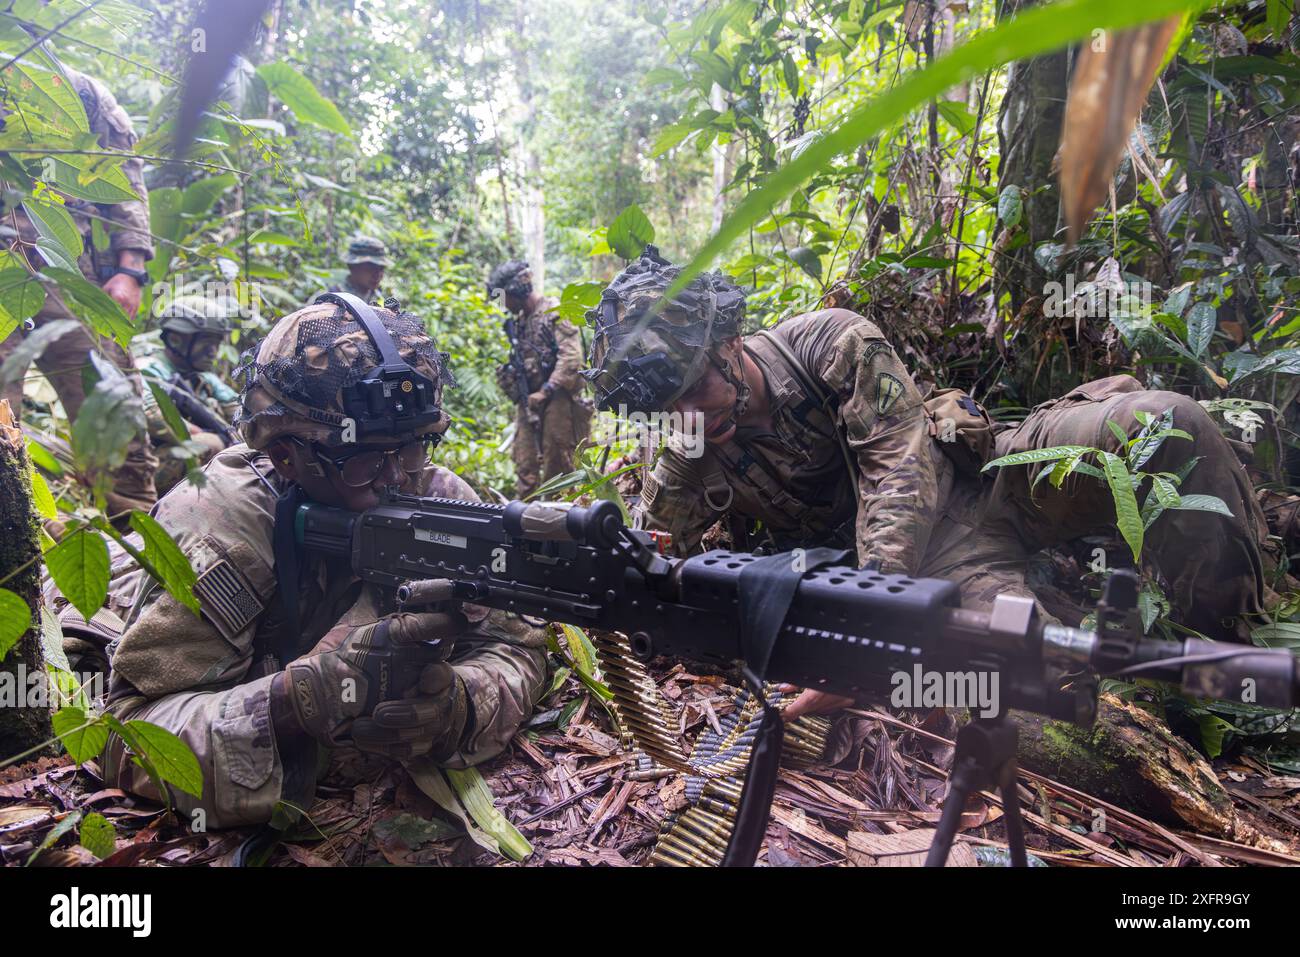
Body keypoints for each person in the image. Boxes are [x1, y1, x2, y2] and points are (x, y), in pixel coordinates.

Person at [583, 249, 1270, 714]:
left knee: (1166, 425)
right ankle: (1191, 701)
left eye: (692, 387)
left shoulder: (831, 343)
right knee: (1028, 686)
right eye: (662, 408)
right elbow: (653, 557)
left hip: (990, 475)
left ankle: (1237, 653)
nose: (686, 415)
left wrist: (861, 636)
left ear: (729, 342)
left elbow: (900, 477)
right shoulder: (689, 441)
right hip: (943, 569)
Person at [91, 296, 547, 828]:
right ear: (288, 455)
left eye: (413, 448)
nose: (398, 478)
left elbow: (518, 648)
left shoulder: (434, 495)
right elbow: (124, 735)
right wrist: (296, 701)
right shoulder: (226, 522)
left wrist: (457, 708)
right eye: (367, 460)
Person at [0, 65, 158, 515]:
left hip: (66, 265)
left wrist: (131, 268)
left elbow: (121, 178)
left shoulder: (77, 89)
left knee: (111, 409)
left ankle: (135, 542)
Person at [487, 259, 591, 497]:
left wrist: (546, 391)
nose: (504, 305)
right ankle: (525, 521)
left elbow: (571, 358)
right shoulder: (519, 323)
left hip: (559, 399)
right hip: (530, 401)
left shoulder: (554, 311)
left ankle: (557, 522)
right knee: (525, 465)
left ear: (515, 291)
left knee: (558, 467)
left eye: (504, 298)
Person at [138, 294, 242, 495]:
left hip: (180, 463)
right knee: (209, 444)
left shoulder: (204, 379)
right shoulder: (149, 369)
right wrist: (205, 434)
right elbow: (151, 416)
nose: (213, 351)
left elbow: (240, 411)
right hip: (147, 466)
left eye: (217, 343)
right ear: (176, 339)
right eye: (206, 342)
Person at [328, 235, 390, 304]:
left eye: (381, 268)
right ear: (352, 267)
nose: (377, 275)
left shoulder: (380, 299)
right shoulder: (330, 298)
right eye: (371, 268)